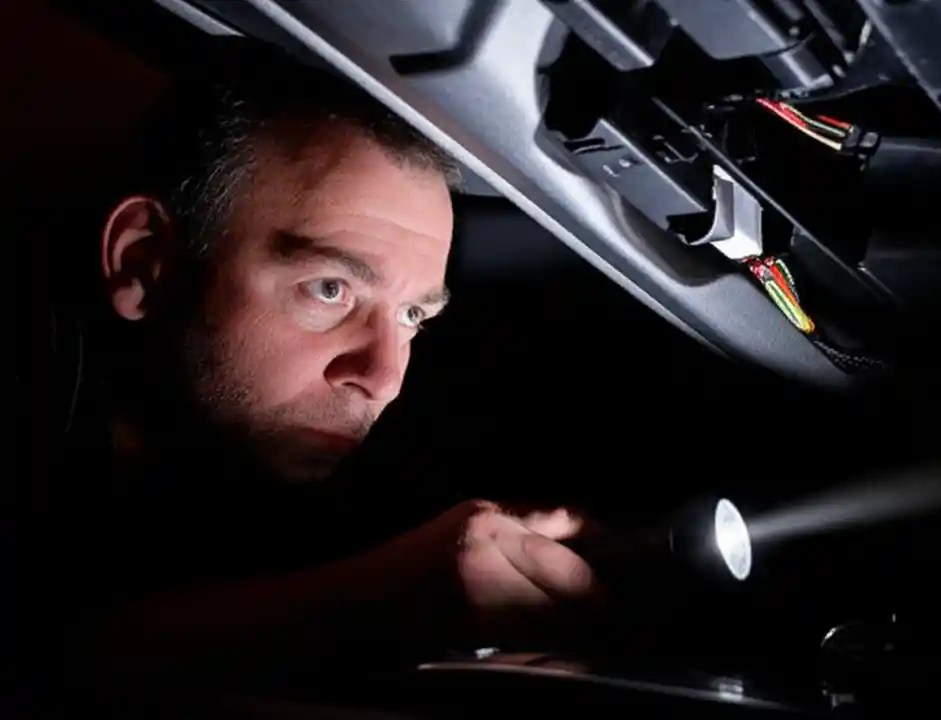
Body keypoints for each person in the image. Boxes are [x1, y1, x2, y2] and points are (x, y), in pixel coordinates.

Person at [23, 37, 600, 693]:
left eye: (414, 316)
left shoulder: (333, 486)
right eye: (330, 290)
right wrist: (370, 602)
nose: (383, 379)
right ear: (145, 263)